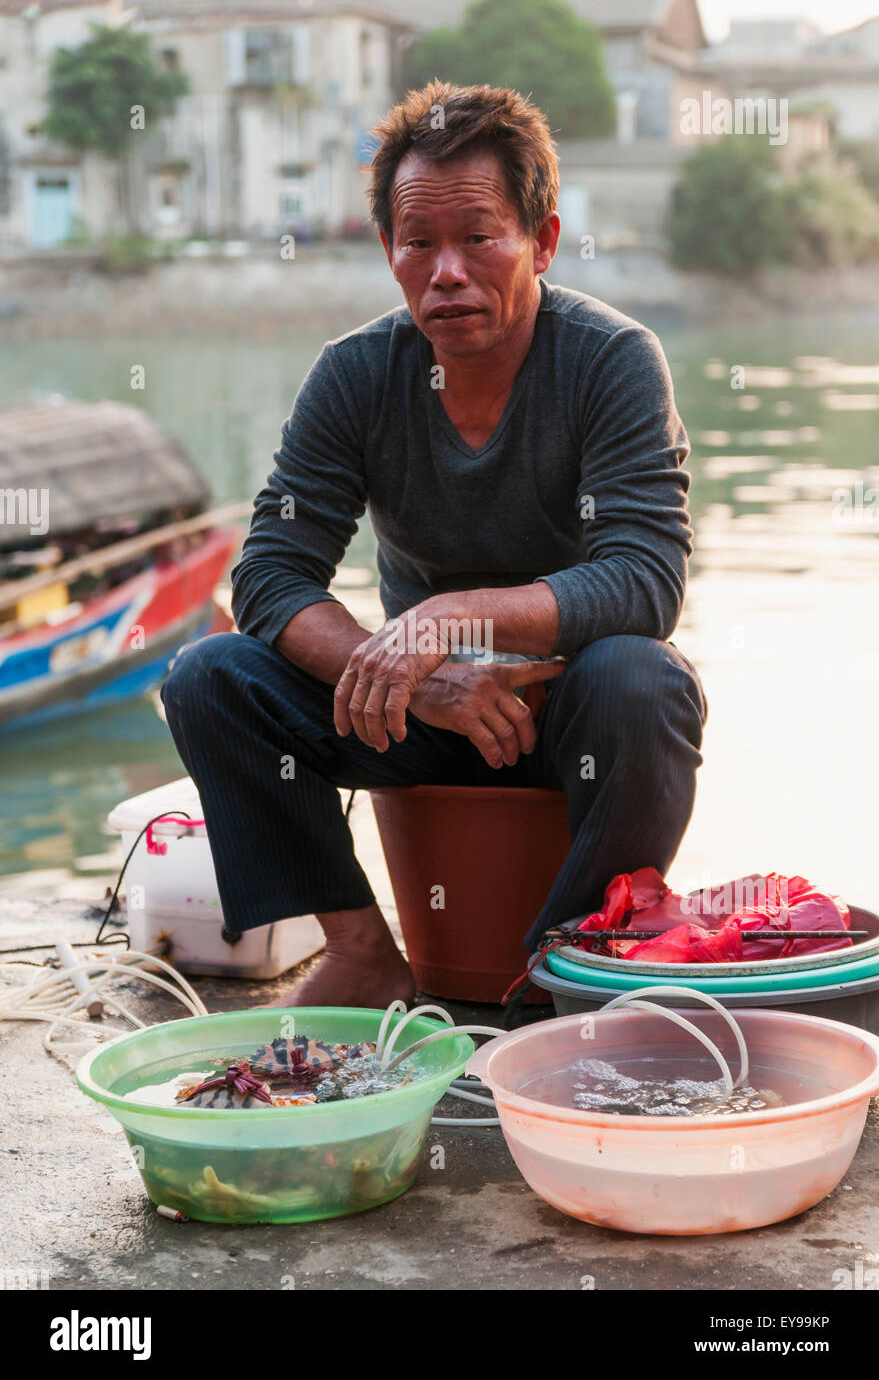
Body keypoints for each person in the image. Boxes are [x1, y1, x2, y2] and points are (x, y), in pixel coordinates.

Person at [161, 81, 708, 1008]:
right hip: (418, 714)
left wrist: (453, 620)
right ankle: (362, 948)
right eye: (419, 243)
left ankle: (562, 974)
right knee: (209, 676)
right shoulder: (354, 374)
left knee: (644, 680)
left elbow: (646, 577)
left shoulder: (611, 360)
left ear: (539, 240)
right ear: (389, 251)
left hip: (563, 710)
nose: (446, 270)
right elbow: (269, 570)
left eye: (478, 237)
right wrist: (421, 673)